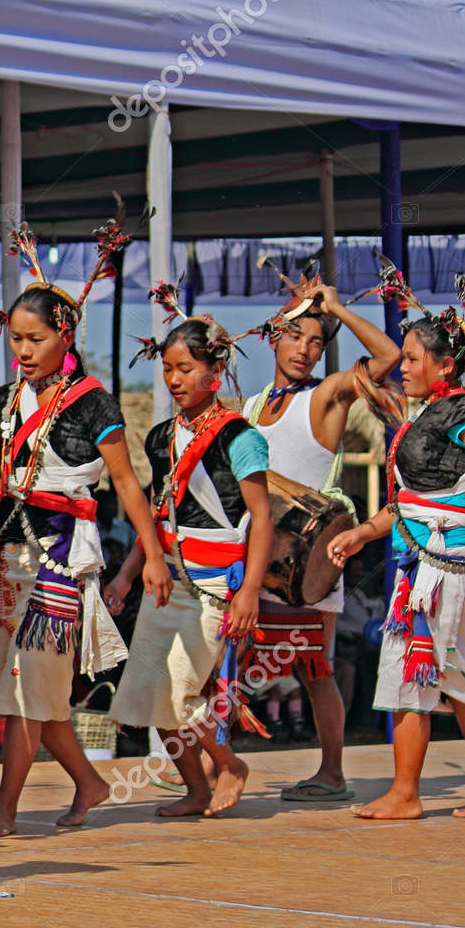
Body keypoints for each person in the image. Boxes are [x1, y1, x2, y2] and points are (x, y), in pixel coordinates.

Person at [0, 223, 173, 835]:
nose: (22, 350)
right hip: (10, 556)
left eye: (35, 338)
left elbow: (128, 484)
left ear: (64, 335)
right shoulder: (0, 401)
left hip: (62, 560)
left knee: (26, 686)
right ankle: (91, 782)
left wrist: (151, 554)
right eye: (16, 339)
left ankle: (5, 807)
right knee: (37, 692)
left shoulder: (93, 401)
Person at [327, 269, 465, 820]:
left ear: (445, 365)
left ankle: (408, 794)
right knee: (449, 667)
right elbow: (412, 501)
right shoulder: (426, 416)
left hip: (444, 564)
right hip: (427, 561)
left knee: (419, 667)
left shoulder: (464, 413)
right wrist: (363, 532)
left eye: (413, 359)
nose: (404, 367)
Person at [240, 264, 403, 803]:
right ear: (273, 336)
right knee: (221, 660)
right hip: (253, 557)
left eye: (316, 341)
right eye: (295, 336)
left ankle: (332, 773)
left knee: (314, 668)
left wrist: (333, 308)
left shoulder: (327, 395)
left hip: (306, 560)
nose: (306, 349)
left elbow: (388, 359)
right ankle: (209, 764)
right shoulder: (251, 406)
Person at [106, 309, 272, 817]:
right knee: (151, 695)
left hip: (216, 584)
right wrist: (128, 573)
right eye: (169, 369)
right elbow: (157, 515)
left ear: (214, 373)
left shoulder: (241, 437)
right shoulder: (159, 438)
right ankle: (196, 788)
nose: (175, 379)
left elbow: (262, 519)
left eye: (185, 368)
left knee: (178, 692)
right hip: (168, 580)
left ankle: (230, 764)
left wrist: (248, 593)